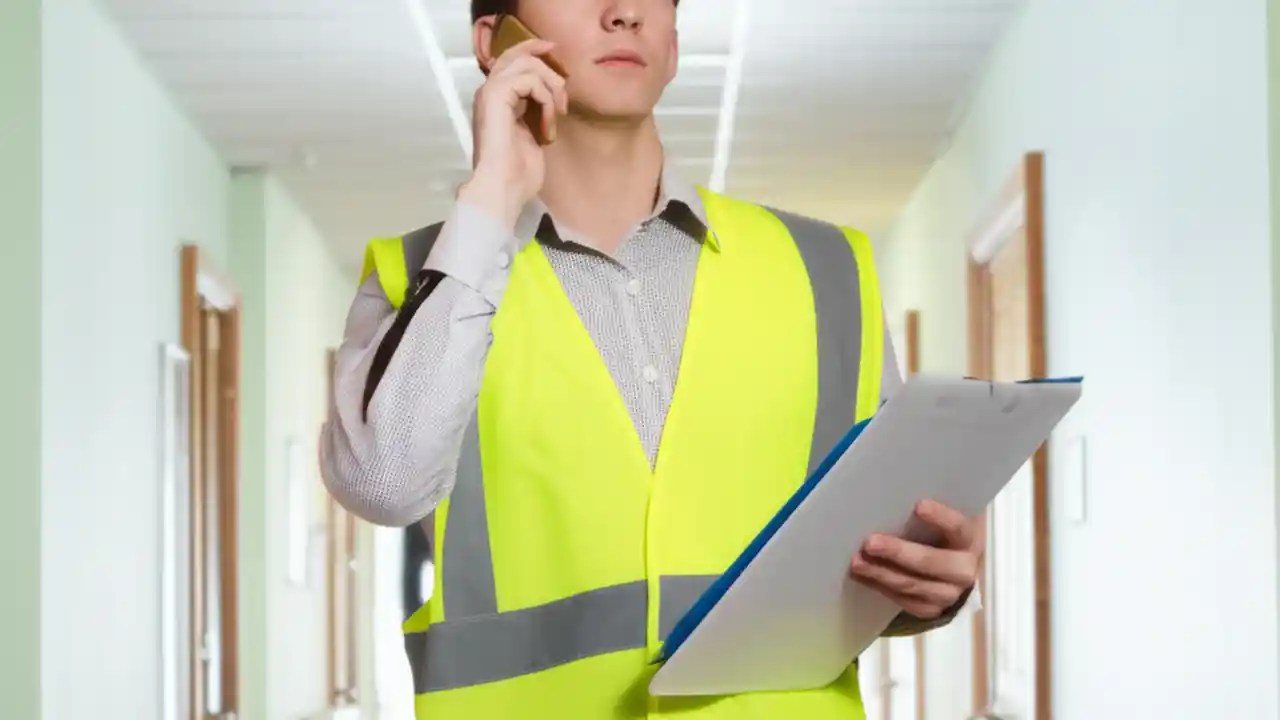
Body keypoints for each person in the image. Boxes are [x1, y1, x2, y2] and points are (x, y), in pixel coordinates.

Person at [319, 0, 984, 717]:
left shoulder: (828, 269)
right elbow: (384, 485)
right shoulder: (419, 275)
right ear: (494, 41)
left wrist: (930, 590)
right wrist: (487, 203)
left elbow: (865, 561)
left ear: (672, 38)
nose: (623, 12)